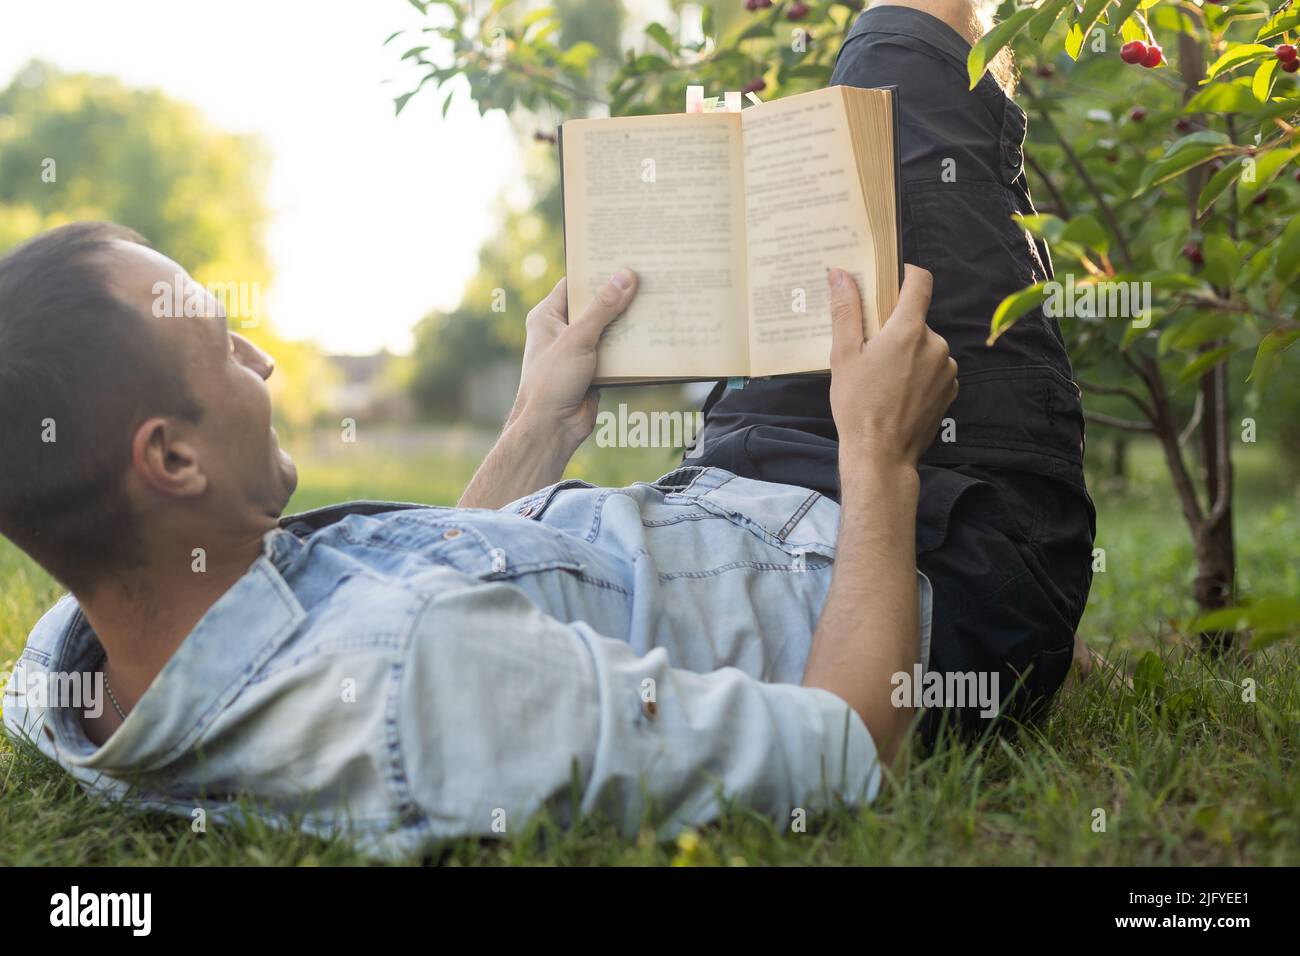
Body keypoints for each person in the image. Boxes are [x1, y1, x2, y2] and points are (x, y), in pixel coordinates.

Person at [1, 0, 1091, 858]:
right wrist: (880, 454)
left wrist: (537, 421)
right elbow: (849, 753)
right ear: (171, 457)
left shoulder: (72, 670)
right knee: (908, 47)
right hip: (928, 561)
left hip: (741, 496)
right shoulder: (424, 681)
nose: (265, 360)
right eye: (226, 348)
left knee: (832, 153)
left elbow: (392, 596)